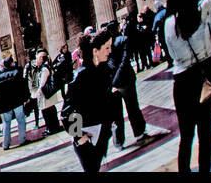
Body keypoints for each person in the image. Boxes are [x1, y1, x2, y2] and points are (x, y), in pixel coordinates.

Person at [163, 0, 211, 173]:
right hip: (203, 75)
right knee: (205, 133)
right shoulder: (203, 8)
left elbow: (172, 55)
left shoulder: (168, 23)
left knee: (186, 136)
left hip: (182, 82)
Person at [65, 30, 116, 173]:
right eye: (106, 48)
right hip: (87, 137)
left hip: (101, 133)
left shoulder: (103, 71)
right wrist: (78, 135)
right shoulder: (80, 76)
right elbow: (67, 111)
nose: (109, 51)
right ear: (95, 51)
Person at [109, 19, 150, 149]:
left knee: (116, 114)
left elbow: (108, 65)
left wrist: (112, 81)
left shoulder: (106, 45)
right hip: (126, 79)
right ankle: (139, 133)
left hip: (114, 84)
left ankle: (119, 142)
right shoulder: (123, 39)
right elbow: (125, 60)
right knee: (133, 107)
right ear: (117, 28)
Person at [0, 55, 29, 150]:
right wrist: (26, 98)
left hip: (5, 104)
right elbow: (22, 87)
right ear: (11, 63)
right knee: (21, 120)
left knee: (6, 123)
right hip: (17, 101)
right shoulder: (16, 72)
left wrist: (0, 105)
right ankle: (22, 139)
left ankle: (6, 144)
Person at [30, 49, 63, 135]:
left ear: (41, 58)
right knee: (51, 110)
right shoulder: (45, 66)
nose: (36, 61)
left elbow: (42, 83)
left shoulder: (44, 68)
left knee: (47, 112)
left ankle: (50, 128)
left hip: (45, 94)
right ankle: (54, 127)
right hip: (47, 94)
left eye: (37, 58)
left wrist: (38, 93)